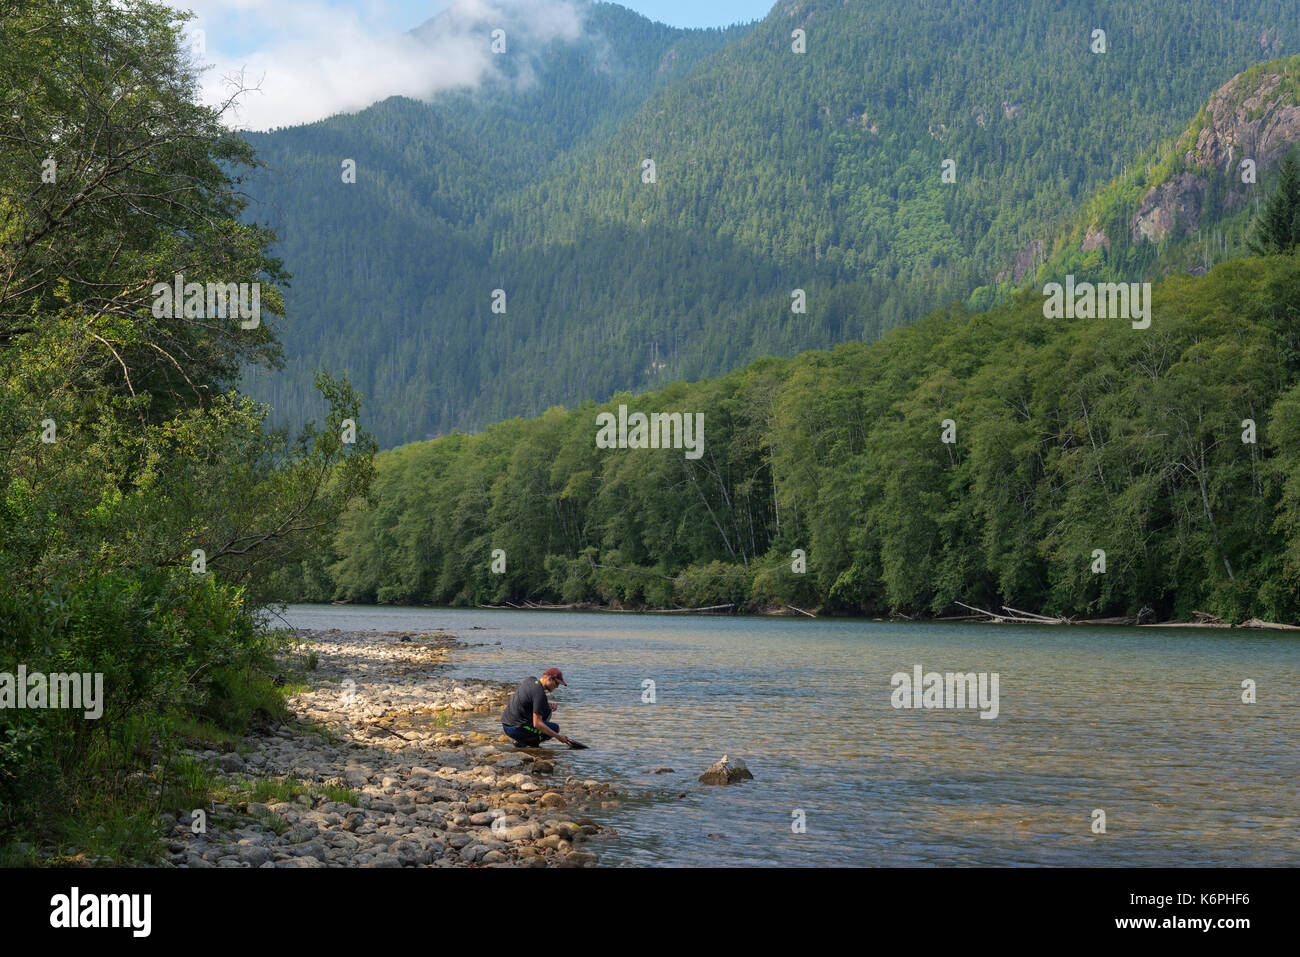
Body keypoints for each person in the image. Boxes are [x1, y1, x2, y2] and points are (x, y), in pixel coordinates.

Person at [501, 668, 572, 747]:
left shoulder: (531, 680)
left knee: (548, 710)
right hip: (514, 728)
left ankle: (532, 736)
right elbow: (537, 724)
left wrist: (545, 704)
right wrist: (558, 737)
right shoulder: (540, 694)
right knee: (555, 728)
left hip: (507, 723)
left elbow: (527, 697)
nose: (557, 687)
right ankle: (525, 742)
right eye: (557, 683)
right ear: (549, 678)